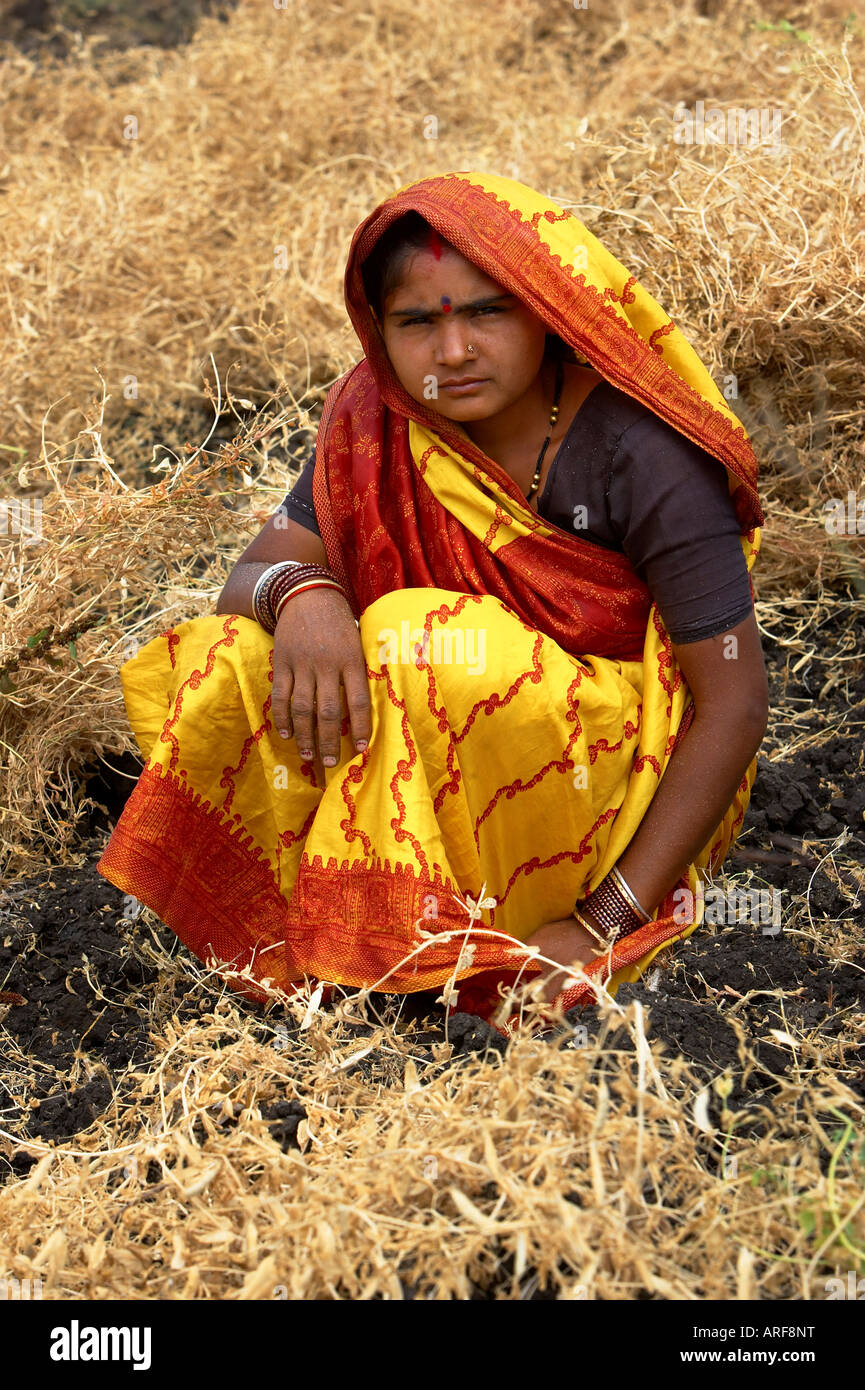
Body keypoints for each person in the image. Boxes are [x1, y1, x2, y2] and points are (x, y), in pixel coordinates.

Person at [97, 171, 768, 1034]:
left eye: (487, 313)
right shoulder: (376, 418)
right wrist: (304, 596)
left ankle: (479, 929)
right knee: (228, 655)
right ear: (379, 331)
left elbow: (733, 702)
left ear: (545, 309)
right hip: (439, 748)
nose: (452, 354)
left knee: (415, 636)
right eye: (418, 323)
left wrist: (603, 919)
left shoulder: (643, 452)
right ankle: (318, 933)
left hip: (615, 793)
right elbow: (249, 576)